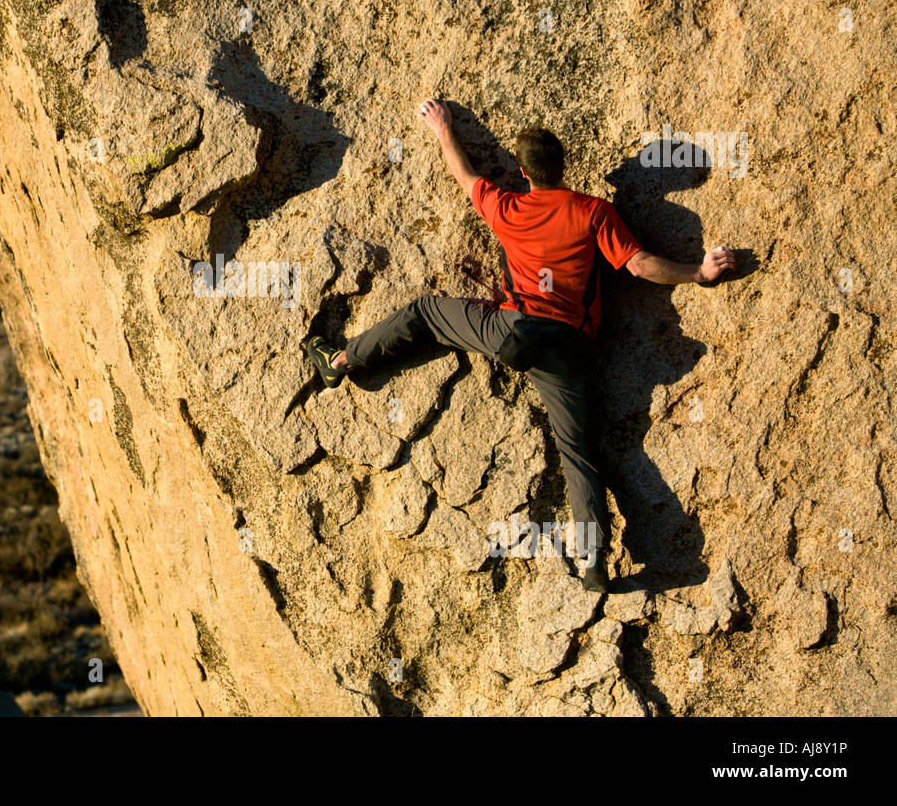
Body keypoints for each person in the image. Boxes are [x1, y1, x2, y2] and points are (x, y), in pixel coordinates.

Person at [304, 100, 735, 592]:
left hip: (513, 331)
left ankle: (339, 360)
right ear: (563, 165)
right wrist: (698, 273)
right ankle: (594, 562)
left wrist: (444, 128)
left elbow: (464, 174)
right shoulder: (592, 211)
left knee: (427, 312)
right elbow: (639, 266)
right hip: (568, 349)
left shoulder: (508, 207)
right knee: (578, 452)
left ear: (524, 172)